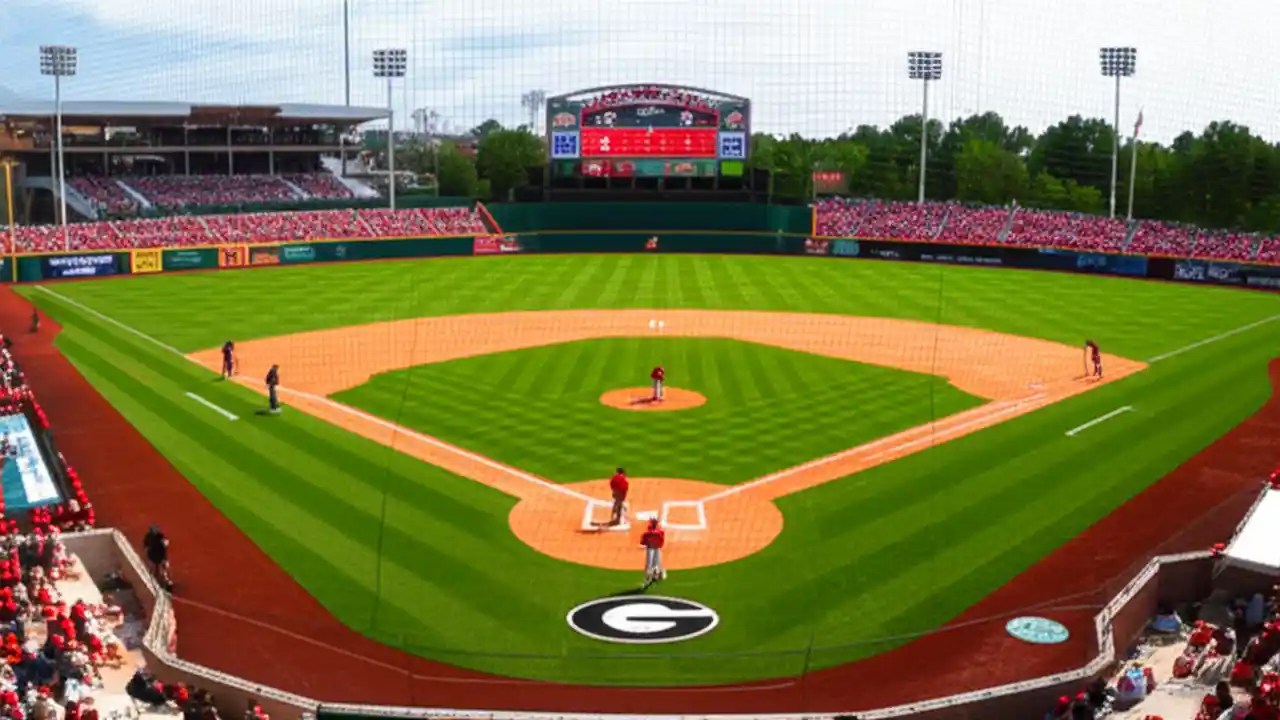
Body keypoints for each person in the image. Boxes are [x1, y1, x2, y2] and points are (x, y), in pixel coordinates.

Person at [143, 526, 173, 591]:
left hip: (153, 557)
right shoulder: (160, 542)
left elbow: (146, 546)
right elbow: (163, 550)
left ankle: (155, 579)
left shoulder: (149, 537)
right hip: (158, 557)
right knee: (163, 570)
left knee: (156, 569)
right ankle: (167, 581)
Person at [641, 517, 666, 589]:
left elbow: (643, 542)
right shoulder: (660, 532)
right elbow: (662, 541)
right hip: (657, 548)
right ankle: (658, 575)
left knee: (649, 565)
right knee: (657, 563)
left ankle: (648, 579)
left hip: (650, 549)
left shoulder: (647, 533)